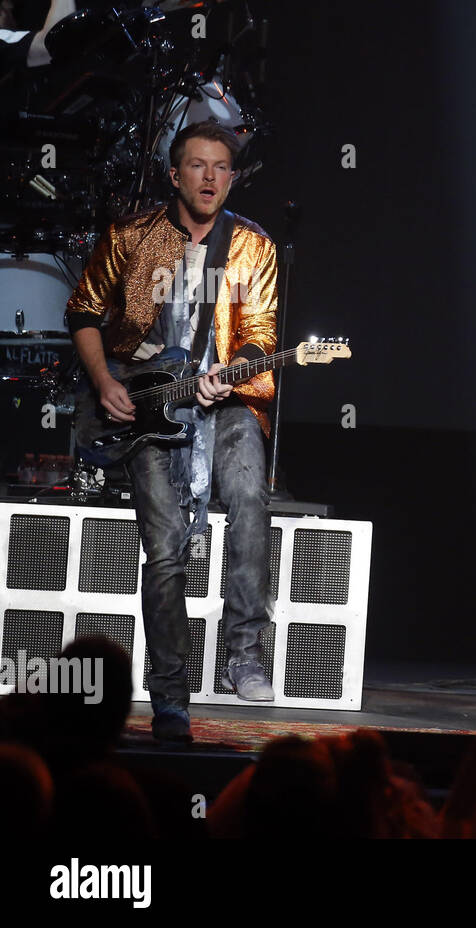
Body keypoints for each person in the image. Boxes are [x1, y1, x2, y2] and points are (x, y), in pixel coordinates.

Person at [65, 120, 278, 742]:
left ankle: (242, 652)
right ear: (174, 173)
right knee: (164, 550)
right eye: (198, 166)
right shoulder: (132, 236)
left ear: (233, 177)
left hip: (224, 395)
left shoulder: (252, 246)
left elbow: (261, 338)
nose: (210, 178)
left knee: (246, 495)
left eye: (222, 168)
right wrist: (106, 380)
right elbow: (83, 310)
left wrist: (229, 374)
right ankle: (170, 695)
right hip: (144, 400)